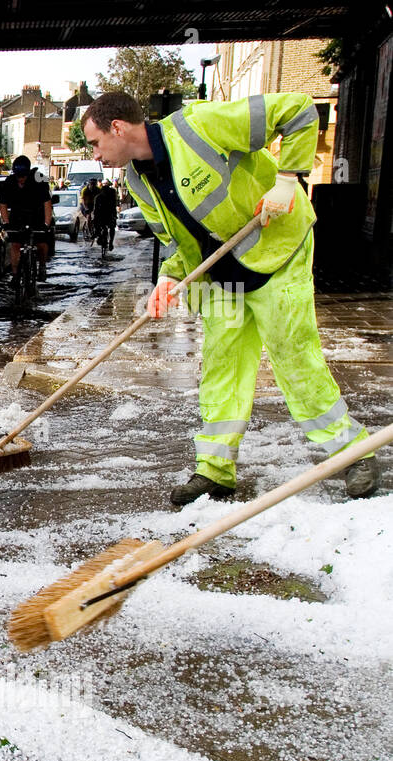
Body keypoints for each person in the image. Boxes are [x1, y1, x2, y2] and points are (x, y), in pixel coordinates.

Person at [81, 90, 378, 505]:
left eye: (95, 143)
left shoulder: (199, 126)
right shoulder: (136, 179)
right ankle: (215, 471)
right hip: (223, 278)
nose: (95, 155)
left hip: (278, 254)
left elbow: (297, 111)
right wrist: (168, 279)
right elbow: (174, 240)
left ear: (117, 128)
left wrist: (287, 180)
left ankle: (353, 455)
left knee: (294, 358)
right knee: (222, 369)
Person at [0, 155, 52, 285]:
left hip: (36, 215)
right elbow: (2, 204)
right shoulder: (9, 181)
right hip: (17, 215)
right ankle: (15, 275)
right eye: (18, 177)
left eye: (23, 177)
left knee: (41, 244)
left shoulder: (38, 180)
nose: (21, 180)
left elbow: (47, 203)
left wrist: (46, 224)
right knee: (15, 245)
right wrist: (6, 223)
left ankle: (42, 266)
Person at [93, 179, 117, 250]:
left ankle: (110, 242)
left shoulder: (110, 196)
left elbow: (114, 205)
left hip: (108, 214)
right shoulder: (98, 197)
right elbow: (96, 209)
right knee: (98, 225)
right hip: (102, 214)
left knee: (112, 227)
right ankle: (100, 236)